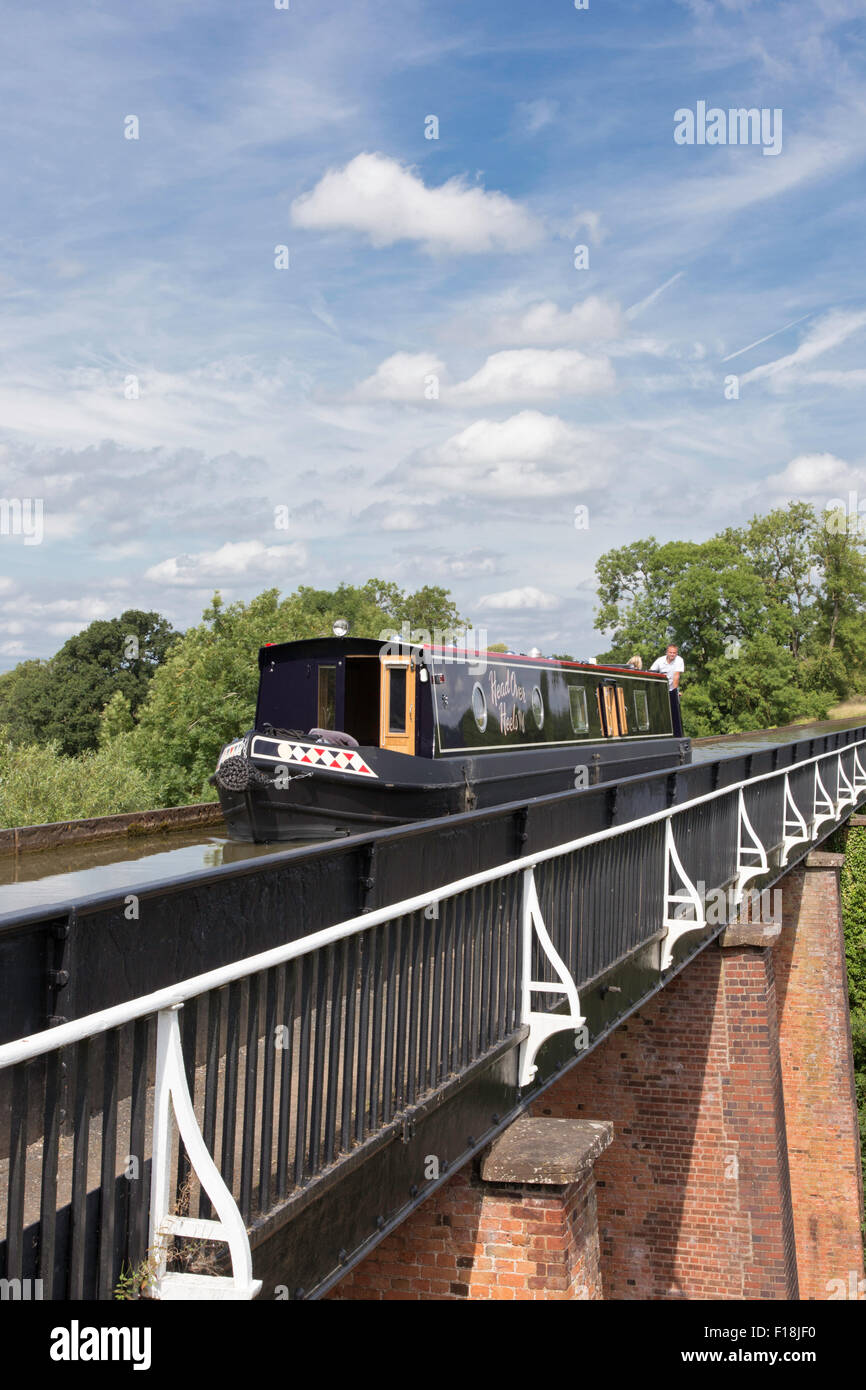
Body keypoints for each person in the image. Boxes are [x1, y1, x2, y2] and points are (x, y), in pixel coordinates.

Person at [650, 643, 684, 736]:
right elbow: (651, 672)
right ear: (667, 652)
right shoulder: (660, 661)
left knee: (674, 710)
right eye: (671, 652)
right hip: (661, 689)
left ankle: (677, 733)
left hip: (672, 687)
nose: (672, 655)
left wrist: (675, 691)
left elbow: (676, 676)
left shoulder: (679, 660)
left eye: (674, 653)